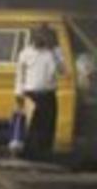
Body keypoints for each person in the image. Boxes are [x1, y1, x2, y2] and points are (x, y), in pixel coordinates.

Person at [15, 24, 64, 161]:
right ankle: (28, 158)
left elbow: (62, 70)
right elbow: (20, 75)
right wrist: (18, 93)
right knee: (31, 130)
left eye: (44, 35)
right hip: (31, 95)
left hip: (48, 95)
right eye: (38, 34)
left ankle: (44, 158)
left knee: (47, 130)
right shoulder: (25, 53)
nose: (40, 38)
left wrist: (54, 50)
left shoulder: (54, 52)